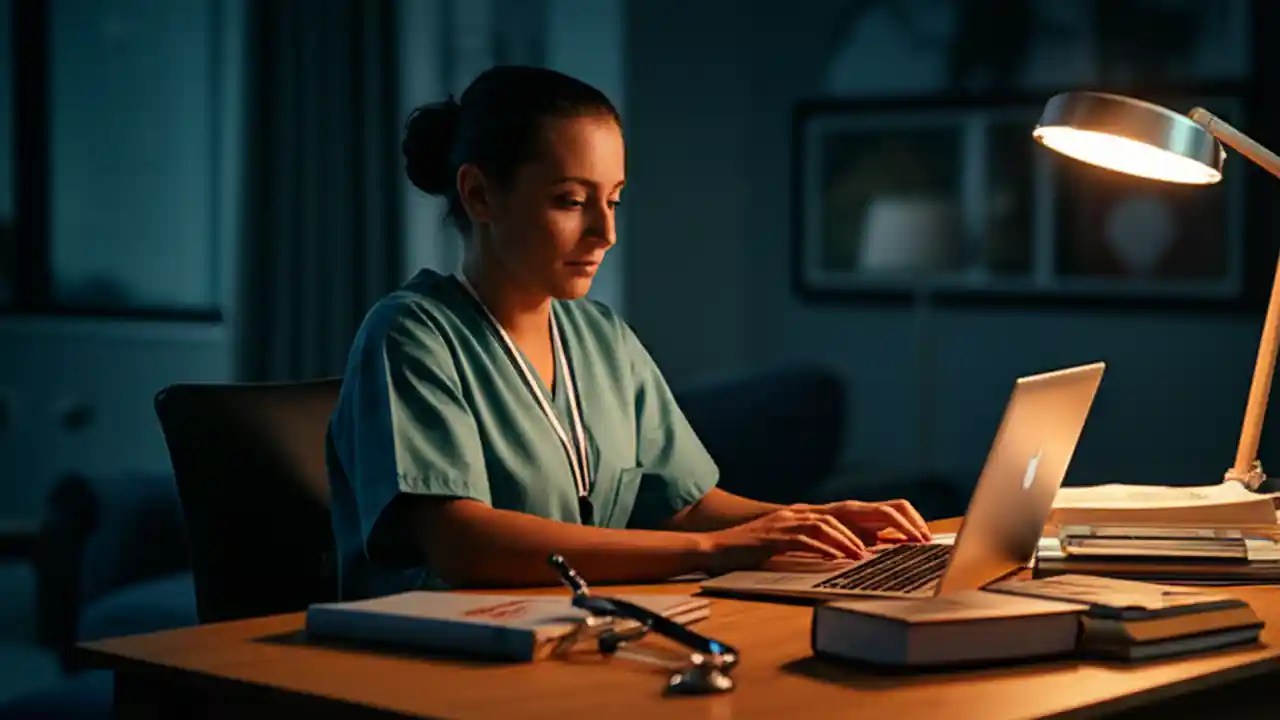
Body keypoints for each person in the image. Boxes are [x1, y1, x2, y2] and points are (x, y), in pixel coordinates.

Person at [326, 65, 930, 599]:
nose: (605, 233)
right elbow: (462, 543)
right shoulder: (410, 334)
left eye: (613, 200)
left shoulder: (601, 337)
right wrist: (714, 553)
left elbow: (685, 502)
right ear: (480, 194)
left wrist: (816, 523)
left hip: (584, 625)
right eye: (570, 201)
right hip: (443, 648)